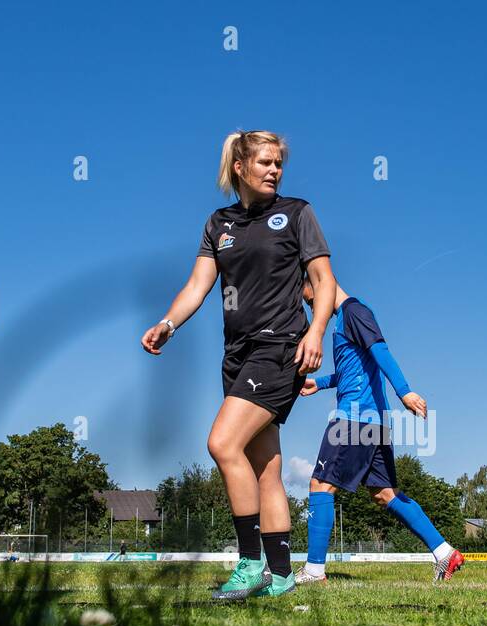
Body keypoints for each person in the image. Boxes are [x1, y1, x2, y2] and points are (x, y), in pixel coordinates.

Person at [141, 129, 337, 601]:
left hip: (281, 347)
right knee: (265, 466)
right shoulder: (219, 223)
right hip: (236, 355)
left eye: (279, 163)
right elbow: (197, 286)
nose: (275, 170)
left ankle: (250, 564)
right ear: (239, 167)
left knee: (222, 443)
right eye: (266, 162)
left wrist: (315, 332)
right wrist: (168, 323)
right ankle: (283, 576)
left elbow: (324, 280)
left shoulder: (297, 213)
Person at [295, 281, 463, 583]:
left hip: (355, 418)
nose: (312, 308)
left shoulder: (354, 312)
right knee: (385, 494)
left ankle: (314, 571)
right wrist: (319, 383)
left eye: (310, 301)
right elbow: (352, 369)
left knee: (320, 484)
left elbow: (380, 350)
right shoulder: (346, 318)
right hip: (374, 422)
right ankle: (444, 552)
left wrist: (404, 391)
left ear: (320, 284)